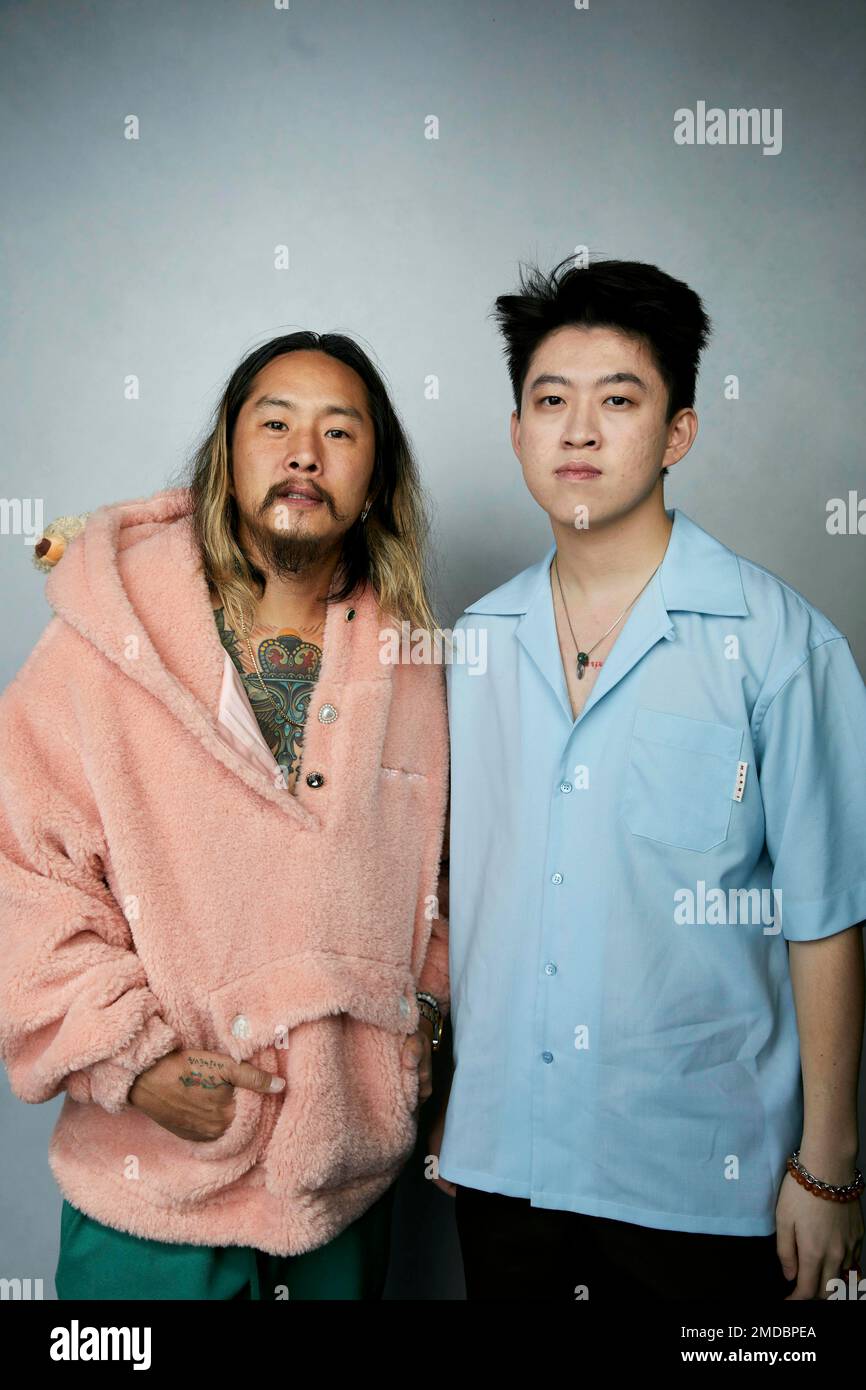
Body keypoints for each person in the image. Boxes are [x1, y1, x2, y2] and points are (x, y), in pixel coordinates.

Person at [431, 256, 866, 1301]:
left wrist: (827, 1162)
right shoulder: (473, 645)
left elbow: (827, 914)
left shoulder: (779, 645)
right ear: (516, 430)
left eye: (616, 401)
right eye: (549, 401)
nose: (577, 431)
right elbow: (460, 895)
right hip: (505, 1171)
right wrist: (465, 1096)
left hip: (701, 1184)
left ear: (676, 432)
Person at [0, 331, 450, 1300]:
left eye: (340, 430)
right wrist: (132, 1059)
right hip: (149, 1192)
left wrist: (422, 1029)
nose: (303, 450)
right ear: (225, 455)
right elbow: (19, 871)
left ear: (373, 481)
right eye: (274, 422)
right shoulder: (105, 645)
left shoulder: (413, 664)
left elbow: (444, 884)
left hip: (340, 1187)